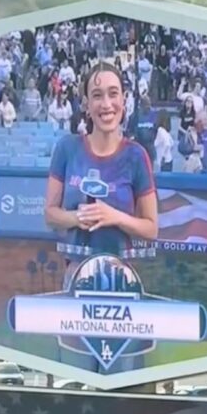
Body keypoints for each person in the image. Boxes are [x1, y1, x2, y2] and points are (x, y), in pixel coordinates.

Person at [44, 61, 158, 267]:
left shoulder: (136, 156)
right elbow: (50, 215)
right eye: (97, 95)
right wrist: (78, 217)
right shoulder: (66, 148)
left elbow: (151, 229)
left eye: (113, 94)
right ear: (86, 104)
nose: (106, 104)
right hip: (76, 273)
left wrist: (114, 217)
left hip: (120, 274)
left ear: (124, 100)